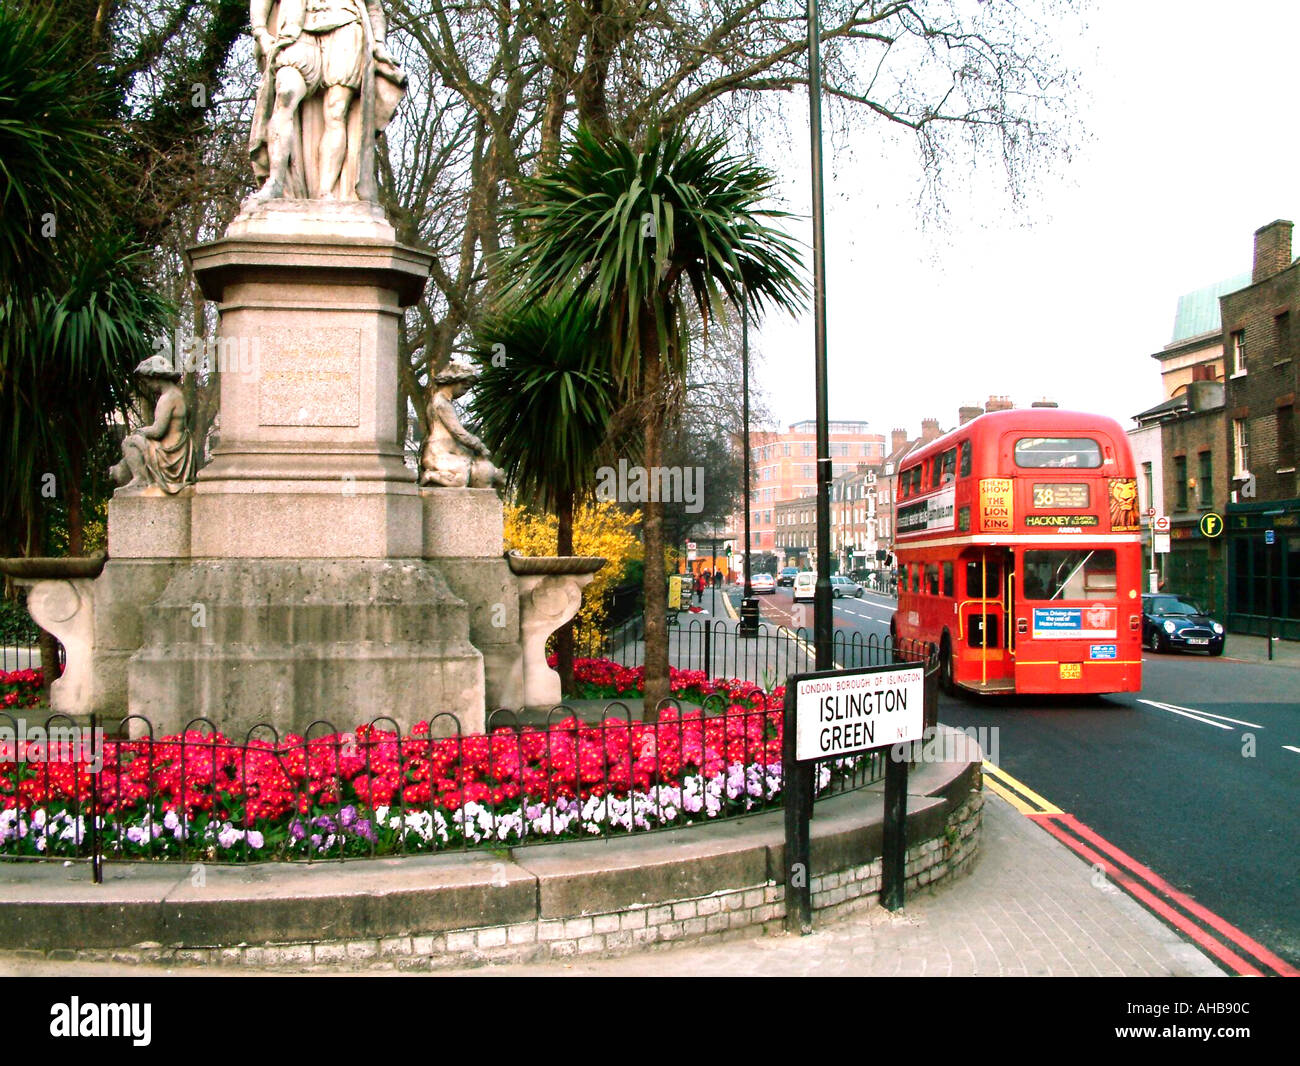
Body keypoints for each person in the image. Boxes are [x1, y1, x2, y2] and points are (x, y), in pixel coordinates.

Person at [248, 0, 408, 203]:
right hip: (298, 31)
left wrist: (378, 43)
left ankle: (326, 192)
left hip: (347, 29)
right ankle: (275, 182)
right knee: (286, 93)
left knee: (336, 111)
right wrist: (261, 32)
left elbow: (374, 7)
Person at [109, 357, 197, 494]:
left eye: (146, 381)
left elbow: (158, 431)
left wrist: (139, 431)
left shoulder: (168, 398)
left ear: (155, 376)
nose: (147, 386)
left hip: (169, 452)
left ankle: (140, 479)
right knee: (137, 441)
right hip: (180, 448)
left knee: (130, 442)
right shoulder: (179, 395)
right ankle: (122, 472)